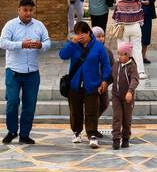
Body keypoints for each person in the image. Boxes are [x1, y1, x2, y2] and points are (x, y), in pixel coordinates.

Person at [0, 0, 51, 145]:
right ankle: (12, 131)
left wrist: (41, 45)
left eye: (30, 10)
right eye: (25, 10)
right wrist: (21, 44)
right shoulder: (11, 25)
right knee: (13, 102)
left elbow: (48, 42)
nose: (28, 13)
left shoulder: (39, 26)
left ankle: (25, 134)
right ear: (19, 10)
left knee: (30, 105)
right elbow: (2, 43)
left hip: (32, 72)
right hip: (14, 71)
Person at [59, 20, 112, 148]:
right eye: (77, 33)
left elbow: (106, 64)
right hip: (75, 85)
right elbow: (62, 55)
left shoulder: (98, 47)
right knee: (75, 111)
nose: (80, 36)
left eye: (82, 33)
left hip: (92, 85)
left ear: (88, 33)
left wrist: (105, 80)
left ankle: (92, 135)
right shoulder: (73, 45)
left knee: (91, 111)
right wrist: (72, 43)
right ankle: (76, 133)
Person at [110, 0, 147, 79]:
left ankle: (122, 72)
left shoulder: (120, 4)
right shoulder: (138, 2)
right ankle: (140, 72)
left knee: (122, 50)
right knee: (137, 50)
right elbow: (141, 16)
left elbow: (115, 17)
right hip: (135, 27)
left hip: (123, 28)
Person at [111, 40, 139, 149]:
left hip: (127, 97)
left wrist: (130, 91)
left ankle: (126, 138)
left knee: (127, 119)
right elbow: (111, 75)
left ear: (128, 55)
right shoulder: (117, 64)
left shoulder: (132, 66)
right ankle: (116, 139)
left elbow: (135, 79)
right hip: (116, 96)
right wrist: (103, 82)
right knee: (117, 117)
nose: (120, 57)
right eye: (119, 54)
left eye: (122, 55)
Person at [92, 24, 114, 140]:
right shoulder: (88, 51)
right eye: (97, 36)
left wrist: (106, 82)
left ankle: (91, 125)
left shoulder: (108, 51)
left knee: (104, 104)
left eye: (102, 36)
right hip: (92, 86)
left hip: (103, 85)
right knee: (93, 107)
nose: (101, 38)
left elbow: (111, 68)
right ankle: (92, 129)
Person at [134, 0, 157, 66]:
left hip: (146, 16)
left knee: (145, 37)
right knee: (136, 37)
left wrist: (148, 1)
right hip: (135, 17)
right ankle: (136, 57)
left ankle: (143, 57)